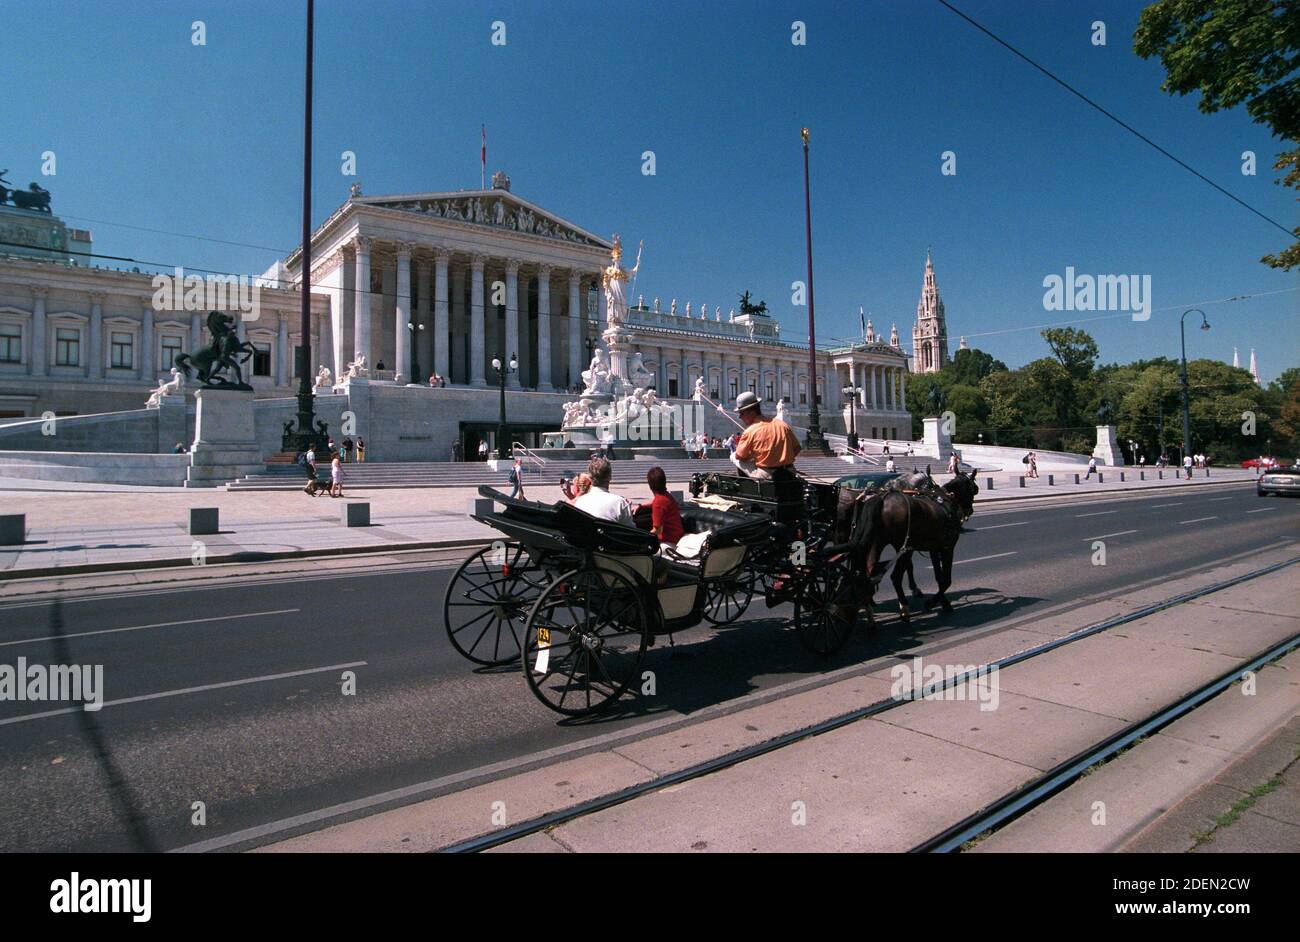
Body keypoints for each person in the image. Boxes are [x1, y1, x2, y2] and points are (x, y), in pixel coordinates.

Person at [731, 391, 801, 479]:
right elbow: (797, 448)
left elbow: (740, 456)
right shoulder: (782, 425)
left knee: (733, 456)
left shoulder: (750, 431)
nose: (740, 417)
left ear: (751, 412)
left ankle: (745, 484)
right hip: (789, 472)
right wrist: (782, 460)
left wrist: (755, 457)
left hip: (768, 475)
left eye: (741, 413)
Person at [573, 456, 633, 524]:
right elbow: (631, 531)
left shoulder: (579, 502)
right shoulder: (620, 503)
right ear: (610, 477)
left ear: (589, 478)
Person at [638, 465, 684, 546]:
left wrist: (640, 538)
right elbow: (659, 503)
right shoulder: (666, 496)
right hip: (676, 537)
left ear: (650, 485)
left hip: (669, 542)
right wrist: (641, 505)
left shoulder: (658, 502)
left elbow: (657, 530)